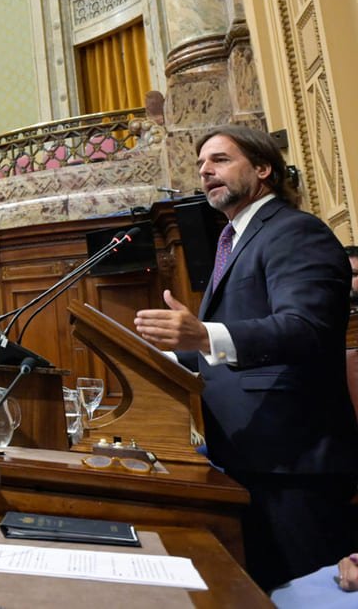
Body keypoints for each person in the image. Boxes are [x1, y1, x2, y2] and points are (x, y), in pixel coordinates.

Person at [134, 124, 358, 592]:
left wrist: (202, 334)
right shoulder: (233, 240)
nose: (205, 171)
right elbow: (223, 350)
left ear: (262, 168)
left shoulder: (295, 231)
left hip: (293, 464)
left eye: (219, 160)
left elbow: (306, 329)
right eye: (200, 166)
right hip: (245, 457)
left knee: (304, 592)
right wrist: (162, 359)